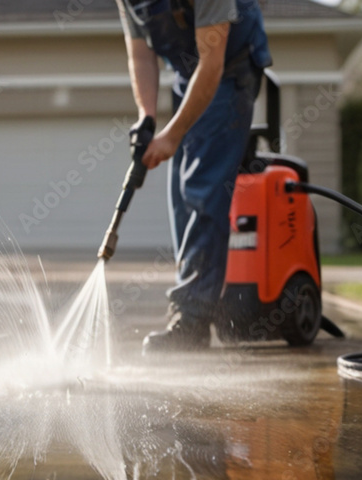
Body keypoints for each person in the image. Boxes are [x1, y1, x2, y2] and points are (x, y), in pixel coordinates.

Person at [116, 0, 272, 349]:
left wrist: (172, 135)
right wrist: (148, 118)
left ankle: (193, 318)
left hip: (229, 69)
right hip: (189, 75)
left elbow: (212, 62)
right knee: (181, 198)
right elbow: (140, 55)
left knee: (202, 188)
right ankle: (193, 309)